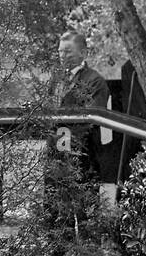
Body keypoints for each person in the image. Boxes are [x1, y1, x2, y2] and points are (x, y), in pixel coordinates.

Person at [43, 30, 111, 230]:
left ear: (83, 53)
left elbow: (92, 119)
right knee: (55, 210)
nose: (63, 56)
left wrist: (70, 142)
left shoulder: (95, 81)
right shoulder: (55, 80)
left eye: (68, 52)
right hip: (56, 156)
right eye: (60, 52)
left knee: (85, 212)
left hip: (84, 156)